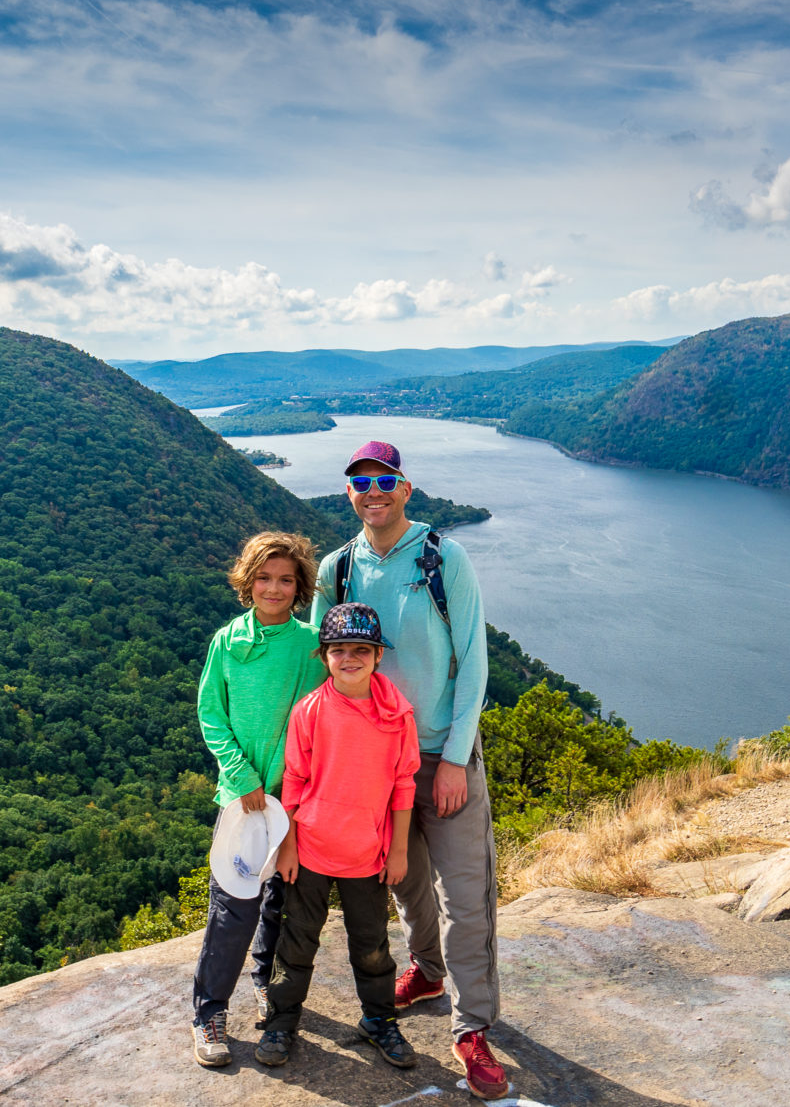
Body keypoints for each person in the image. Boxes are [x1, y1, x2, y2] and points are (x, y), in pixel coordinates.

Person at [311, 440, 509, 1099]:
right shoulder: (337, 569)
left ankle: (472, 1027)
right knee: (405, 880)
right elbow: (323, 664)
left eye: (384, 479)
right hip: (372, 766)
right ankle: (426, 969)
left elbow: (473, 662)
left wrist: (454, 760)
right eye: (361, 480)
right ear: (349, 493)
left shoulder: (442, 558)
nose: (373, 490)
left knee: (464, 892)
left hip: (440, 755)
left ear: (405, 487)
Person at [258, 601, 421, 1071]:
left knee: (371, 947)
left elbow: (404, 784)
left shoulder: (397, 715)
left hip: (368, 854)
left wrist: (398, 850)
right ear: (323, 656)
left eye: (361, 649)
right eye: (338, 650)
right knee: (297, 943)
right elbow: (294, 781)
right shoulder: (310, 711)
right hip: (309, 849)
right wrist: (286, 845)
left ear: (377, 655)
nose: (349, 658)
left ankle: (378, 1020)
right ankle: (282, 1020)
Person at [190, 532, 328, 1070]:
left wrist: (294, 790)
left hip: (291, 798)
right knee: (234, 904)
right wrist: (240, 774)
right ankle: (208, 1010)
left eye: (286, 579)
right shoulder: (228, 641)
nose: (274, 587)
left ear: (300, 588)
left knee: (281, 901)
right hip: (242, 798)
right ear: (247, 582)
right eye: (265, 577)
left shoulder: (310, 644)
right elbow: (211, 714)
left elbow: (320, 721)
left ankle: (264, 983)